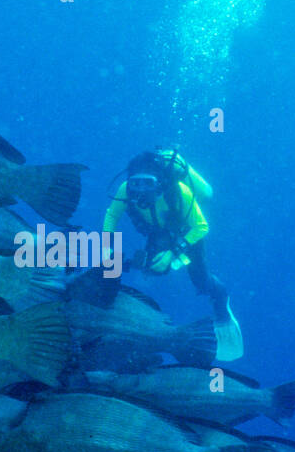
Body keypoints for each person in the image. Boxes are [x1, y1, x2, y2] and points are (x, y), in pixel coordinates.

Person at [102, 149, 243, 361]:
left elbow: (202, 227)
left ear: (159, 182)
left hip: (187, 234)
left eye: (147, 183)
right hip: (158, 233)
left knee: (201, 282)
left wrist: (175, 251)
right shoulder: (125, 190)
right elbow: (112, 214)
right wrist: (106, 246)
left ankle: (220, 297)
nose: (140, 191)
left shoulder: (179, 192)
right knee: (153, 267)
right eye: (135, 183)